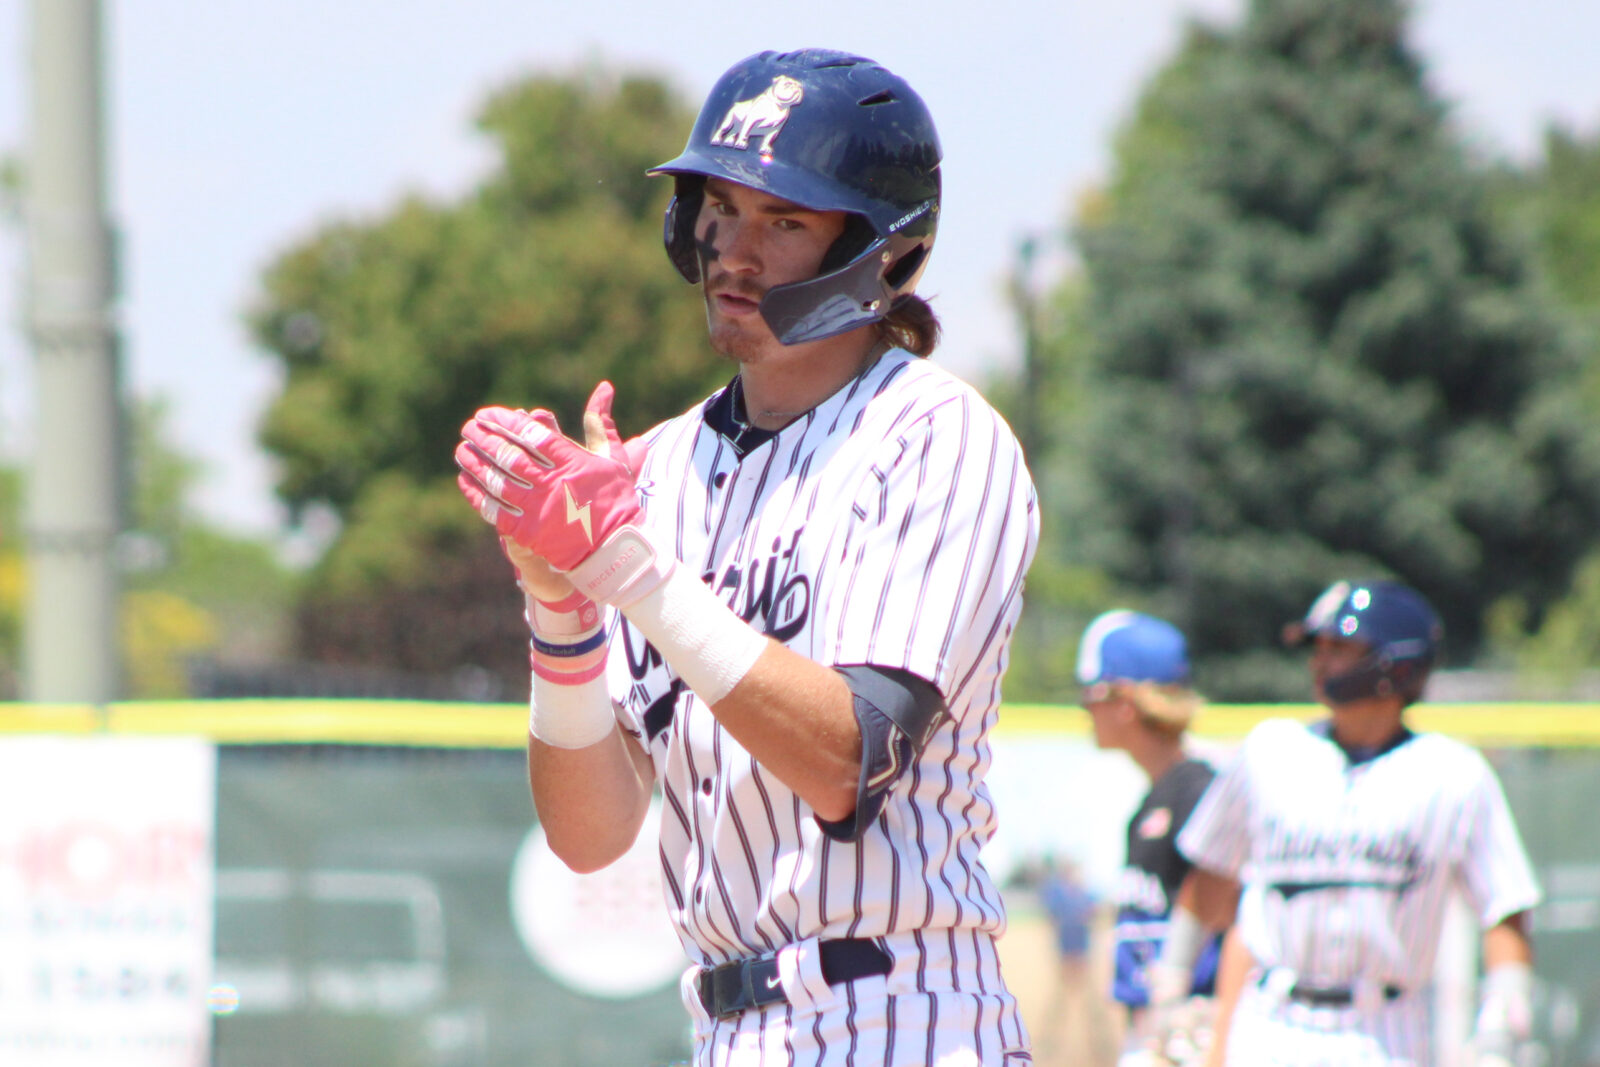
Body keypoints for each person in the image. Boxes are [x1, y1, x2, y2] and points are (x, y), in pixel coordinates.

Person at [454, 49, 1040, 1066]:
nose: (735, 247)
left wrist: (632, 570)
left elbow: (845, 757)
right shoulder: (661, 470)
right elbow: (591, 836)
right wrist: (562, 607)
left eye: (785, 220)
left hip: (900, 1007)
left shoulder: (933, 435)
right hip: (724, 1027)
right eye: (720, 207)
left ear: (879, 248)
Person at [1149, 580, 1543, 1067]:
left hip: (1386, 1029)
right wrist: (1171, 985)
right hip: (1271, 1021)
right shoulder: (1270, 752)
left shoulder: (1455, 775)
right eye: (1319, 647)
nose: (1320, 660)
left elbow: (1504, 907)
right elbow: (1213, 876)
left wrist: (1501, 1028)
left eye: (1340, 647)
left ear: (1394, 661)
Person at [1076, 610, 1221, 1066]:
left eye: (1091, 696)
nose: (1085, 710)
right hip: (1152, 1024)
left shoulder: (1199, 792)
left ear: (1126, 703)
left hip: (1190, 1025)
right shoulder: (1152, 803)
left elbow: (1224, 906)